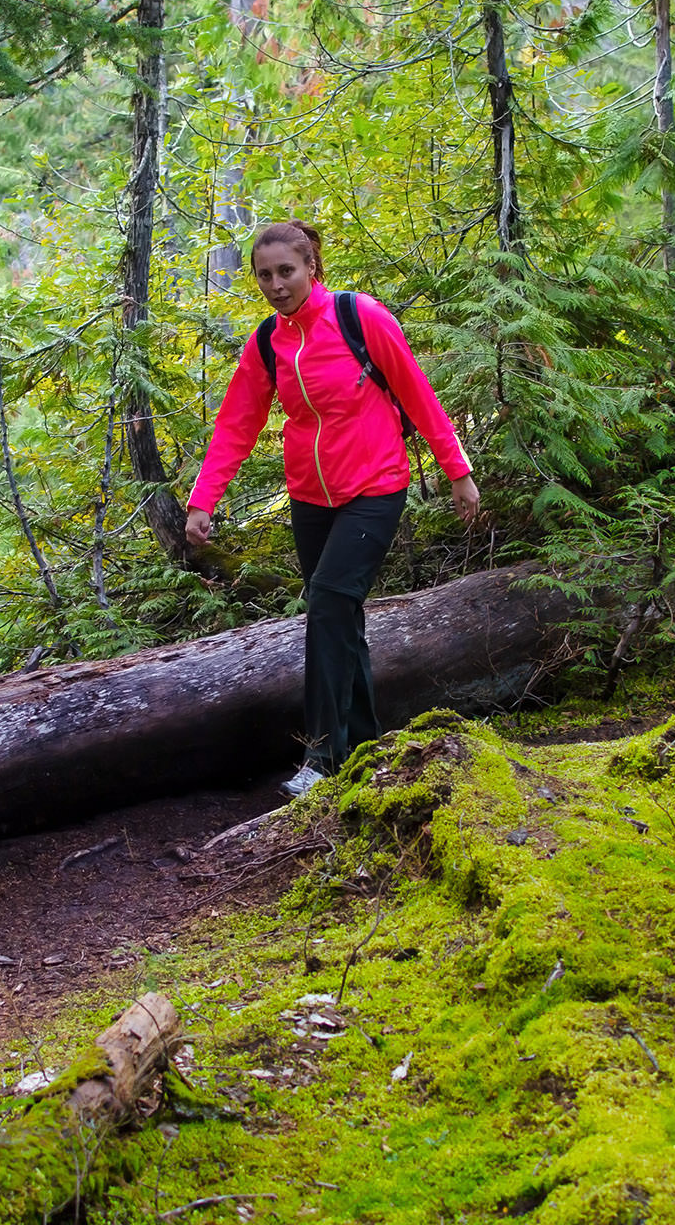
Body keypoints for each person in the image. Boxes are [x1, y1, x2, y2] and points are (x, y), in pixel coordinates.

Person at [185, 220, 481, 797]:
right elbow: (236, 426)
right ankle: (369, 748)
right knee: (342, 619)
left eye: (286, 271)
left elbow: (417, 391)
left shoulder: (359, 317)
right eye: (264, 275)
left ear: (311, 267)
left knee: (326, 605)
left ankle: (323, 757)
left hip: (375, 488)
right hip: (310, 498)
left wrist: (458, 471)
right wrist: (203, 501)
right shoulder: (268, 342)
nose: (276, 285)